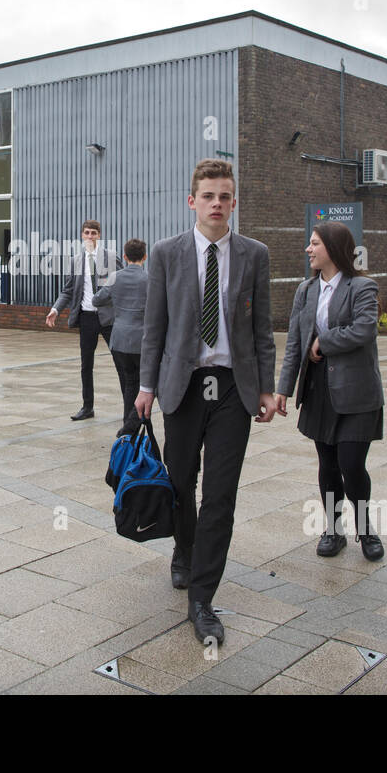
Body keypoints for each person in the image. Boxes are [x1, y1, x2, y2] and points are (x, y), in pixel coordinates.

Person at [134, 159, 278, 646]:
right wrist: (146, 387)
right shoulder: (166, 253)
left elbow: (261, 329)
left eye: (225, 196)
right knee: (179, 482)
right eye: (208, 196)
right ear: (192, 201)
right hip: (183, 385)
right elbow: (154, 328)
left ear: (234, 202)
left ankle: (202, 596)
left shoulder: (254, 254)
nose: (217, 204)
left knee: (220, 493)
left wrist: (265, 386)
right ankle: (184, 549)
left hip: (232, 389)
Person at [276, 221, 385, 562]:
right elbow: (295, 342)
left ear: (333, 248)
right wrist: (283, 389)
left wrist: (325, 341)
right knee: (327, 464)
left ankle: (366, 530)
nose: (308, 249)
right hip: (318, 389)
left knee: (352, 465)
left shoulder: (362, 287)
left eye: (314, 243)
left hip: (356, 392)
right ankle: (333, 530)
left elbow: (365, 329)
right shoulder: (305, 290)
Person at [46, 220, 123, 420]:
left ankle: (130, 409)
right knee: (86, 364)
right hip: (87, 316)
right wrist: (55, 309)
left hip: (108, 319)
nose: (90, 236)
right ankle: (87, 407)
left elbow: (123, 285)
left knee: (121, 362)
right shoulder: (76, 261)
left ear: (99, 235)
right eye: (87, 233)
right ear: (82, 235)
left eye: (93, 233)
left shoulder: (111, 258)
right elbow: (68, 290)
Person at [94, 237, 149, 436]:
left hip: (119, 338)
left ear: (124, 256)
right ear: (145, 256)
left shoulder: (115, 277)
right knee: (147, 384)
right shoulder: (150, 279)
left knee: (130, 383)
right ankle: (134, 423)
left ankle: (129, 423)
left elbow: (97, 299)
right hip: (142, 340)